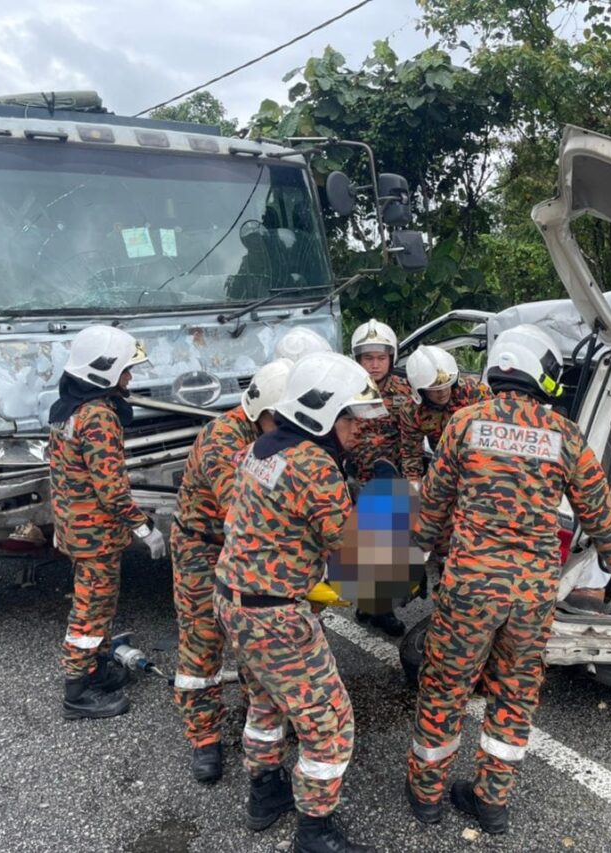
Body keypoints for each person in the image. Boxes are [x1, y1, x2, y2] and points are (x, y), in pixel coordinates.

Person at [405, 323, 611, 834]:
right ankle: (492, 802)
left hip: (469, 589)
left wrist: (406, 562)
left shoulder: (465, 423)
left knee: (445, 688)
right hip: (531, 595)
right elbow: (599, 512)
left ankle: (426, 795)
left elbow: (432, 508)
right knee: (515, 692)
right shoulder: (565, 434)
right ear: (543, 374)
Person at [215, 351, 385, 853]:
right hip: (275, 616)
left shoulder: (263, 449)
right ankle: (315, 833)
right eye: (351, 418)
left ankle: (265, 796)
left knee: (267, 703)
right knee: (330, 726)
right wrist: (393, 514)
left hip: (234, 603)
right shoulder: (314, 465)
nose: (357, 430)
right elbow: (356, 559)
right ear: (324, 414)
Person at [170, 358, 293, 784]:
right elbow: (238, 505)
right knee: (203, 643)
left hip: (243, 546)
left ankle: (254, 722)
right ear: (261, 414)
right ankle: (204, 738)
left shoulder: (274, 436)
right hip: (203, 549)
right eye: (281, 420)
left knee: (254, 642)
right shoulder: (224, 438)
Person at [49, 325, 167, 721]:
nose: (130, 379)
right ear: (102, 373)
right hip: (95, 534)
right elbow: (112, 489)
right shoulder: (98, 416)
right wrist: (144, 527)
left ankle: (97, 670)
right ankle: (77, 691)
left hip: (76, 528)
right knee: (90, 610)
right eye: (125, 370)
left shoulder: (67, 408)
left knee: (99, 604)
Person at [345, 318, 411, 636]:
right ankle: (366, 602)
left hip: (389, 481)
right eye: (367, 358)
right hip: (353, 480)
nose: (374, 365)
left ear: (391, 358)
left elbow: (414, 437)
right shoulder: (345, 388)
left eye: (380, 358)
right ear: (357, 360)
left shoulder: (404, 391)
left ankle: (380, 608)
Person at [399, 344, 488, 482]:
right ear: (420, 390)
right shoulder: (412, 411)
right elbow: (411, 454)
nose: (443, 392)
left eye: (448, 384)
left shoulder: (473, 391)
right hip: (445, 467)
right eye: (435, 388)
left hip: (481, 462)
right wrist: (413, 485)